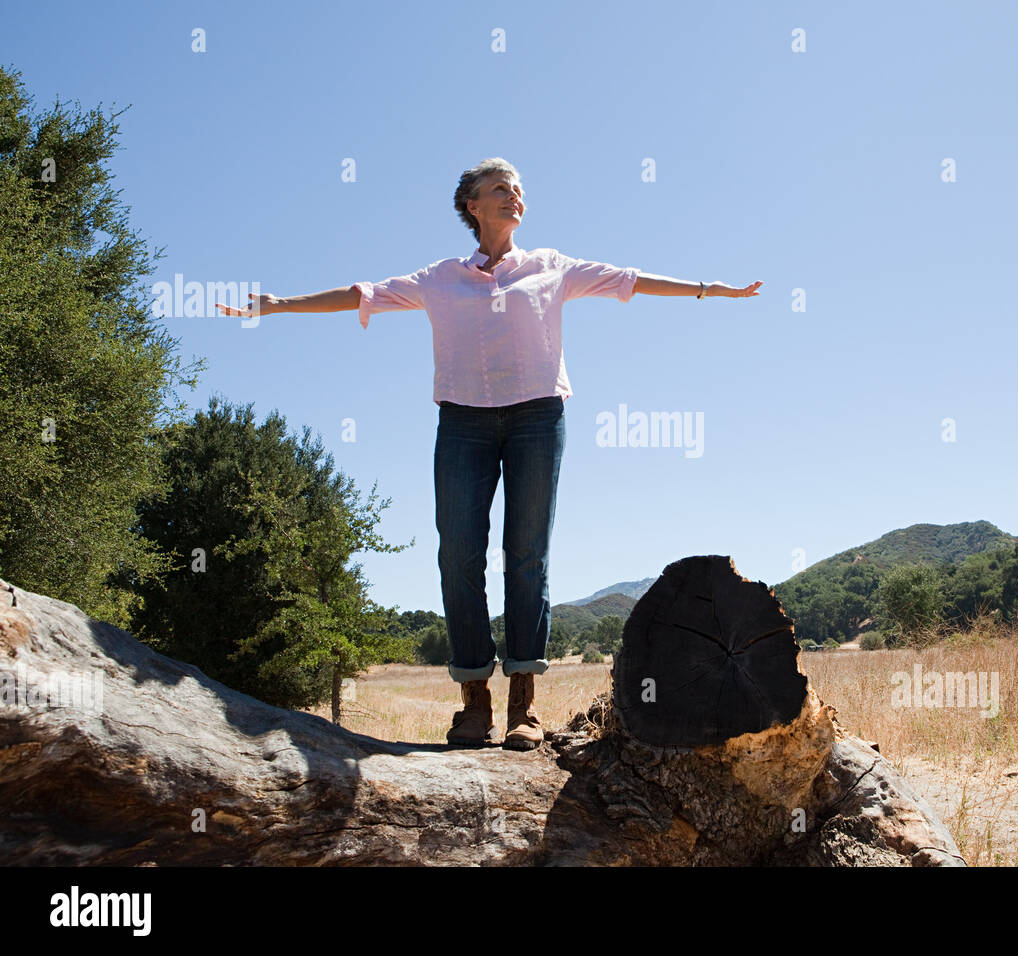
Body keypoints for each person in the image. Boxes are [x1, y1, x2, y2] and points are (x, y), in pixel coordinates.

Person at [217, 157, 762, 750]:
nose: (514, 196)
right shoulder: (439, 278)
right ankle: (474, 703)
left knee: (528, 556)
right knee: (458, 556)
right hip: (462, 424)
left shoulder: (552, 268)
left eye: (519, 189)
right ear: (473, 206)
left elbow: (631, 279)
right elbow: (359, 294)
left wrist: (710, 289)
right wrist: (274, 304)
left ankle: (523, 703)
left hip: (537, 418)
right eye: (501, 189)